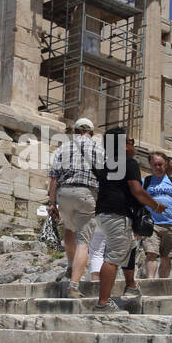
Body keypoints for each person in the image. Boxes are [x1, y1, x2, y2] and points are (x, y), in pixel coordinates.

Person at [92, 128, 163, 312]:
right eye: (130, 140)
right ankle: (103, 303)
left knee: (130, 245)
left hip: (103, 213)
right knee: (114, 257)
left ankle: (130, 285)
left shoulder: (105, 163)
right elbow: (137, 190)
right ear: (121, 144)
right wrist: (155, 206)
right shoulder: (129, 163)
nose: (133, 144)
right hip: (117, 214)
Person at [47, 117, 105, 297]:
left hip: (64, 193)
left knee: (68, 228)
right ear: (92, 133)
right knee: (83, 243)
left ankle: (71, 265)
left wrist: (51, 203)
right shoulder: (99, 149)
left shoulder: (62, 148)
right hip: (86, 194)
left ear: (74, 131)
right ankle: (73, 286)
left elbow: (54, 178)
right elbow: (105, 177)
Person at [142, 151, 172, 279]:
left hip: (170, 224)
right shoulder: (145, 182)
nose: (158, 167)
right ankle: (150, 283)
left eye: (160, 164)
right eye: (155, 165)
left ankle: (162, 284)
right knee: (151, 254)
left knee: (166, 258)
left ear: (165, 165)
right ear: (151, 165)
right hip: (151, 224)